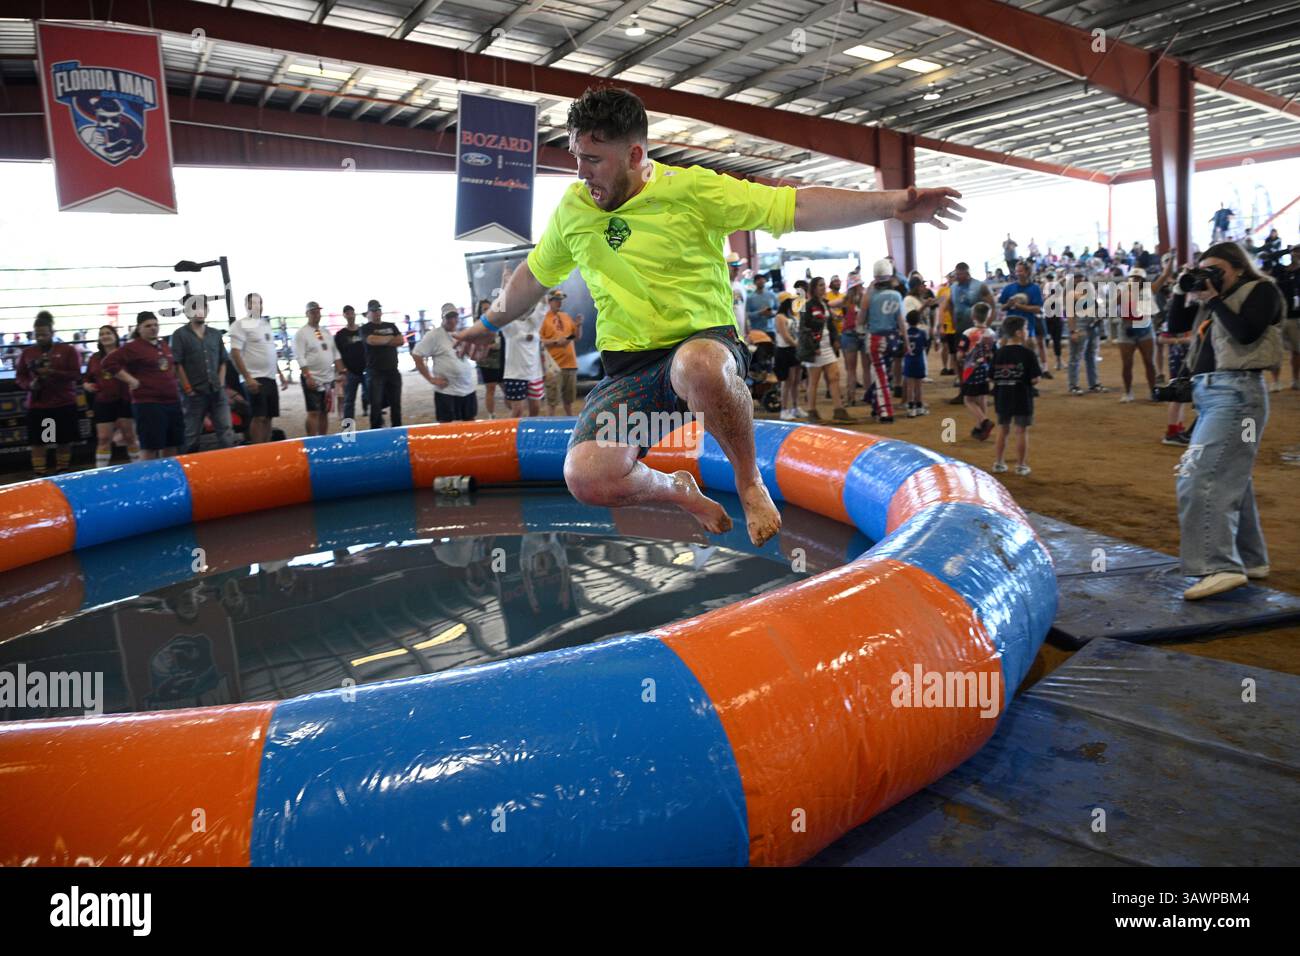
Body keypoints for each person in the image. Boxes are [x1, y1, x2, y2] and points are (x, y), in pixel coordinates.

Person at [452, 87, 961, 545]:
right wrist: (487, 324)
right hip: (631, 374)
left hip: (704, 349)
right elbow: (533, 276)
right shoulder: (573, 209)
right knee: (588, 477)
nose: (582, 173)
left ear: (635, 154)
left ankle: (748, 480)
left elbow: (797, 208)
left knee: (696, 364)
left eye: (593, 160)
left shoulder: (694, 191)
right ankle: (679, 491)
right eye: (576, 157)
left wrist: (897, 202)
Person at [1167, 242, 1285, 600]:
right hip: (1213, 394)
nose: (1210, 277)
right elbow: (1174, 326)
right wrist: (1181, 288)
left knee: (1197, 475)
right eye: (1205, 269)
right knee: (1233, 475)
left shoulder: (1261, 290)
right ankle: (1250, 559)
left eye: (1216, 269)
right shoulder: (1210, 299)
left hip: (1238, 395)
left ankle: (1220, 566)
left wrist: (1215, 297)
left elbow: (1246, 333)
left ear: (1238, 267)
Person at [103, 311, 184, 460]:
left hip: (172, 402)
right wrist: (130, 380)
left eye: (155, 325)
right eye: (148, 326)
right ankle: (146, 481)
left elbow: (170, 367)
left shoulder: (163, 344)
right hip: (149, 404)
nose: (153, 328)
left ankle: (167, 479)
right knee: (150, 448)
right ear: (139, 328)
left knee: (172, 445)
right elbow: (108, 363)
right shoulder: (133, 347)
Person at [16, 312, 82, 475]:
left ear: (52, 333)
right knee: (39, 442)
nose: (40, 337)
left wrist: (53, 372)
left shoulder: (68, 350)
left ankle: (62, 471)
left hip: (63, 403)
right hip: (38, 404)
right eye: (37, 335)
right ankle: (40, 474)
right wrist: (30, 385)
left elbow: (76, 374)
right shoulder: (27, 352)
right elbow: (20, 376)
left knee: (64, 440)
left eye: (44, 334)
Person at [171, 295, 235, 453]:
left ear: (207, 310)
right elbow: (177, 364)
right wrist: (187, 389)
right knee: (191, 436)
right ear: (187, 312)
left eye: (202, 307)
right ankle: (187, 472)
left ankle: (230, 468)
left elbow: (223, 361)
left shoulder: (215, 334)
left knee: (226, 432)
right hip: (193, 394)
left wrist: (220, 384)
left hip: (216, 392)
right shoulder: (179, 335)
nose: (199, 311)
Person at [229, 293, 287, 443]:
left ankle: (266, 448)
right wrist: (247, 378)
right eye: (253, 303)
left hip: (270, 377)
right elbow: (235, 353)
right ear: (247, 306)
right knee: (258, 416)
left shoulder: (265, 325)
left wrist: (280, 373)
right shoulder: (239, 325)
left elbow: (270, 351)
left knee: (269, 416)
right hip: (254, 377)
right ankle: (257, 450)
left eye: (259, 303)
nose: (257, 306)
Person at [990, 315, 1041, 475]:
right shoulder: (1028, 354)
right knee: (1021, 430)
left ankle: (998, 463)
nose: (1027, 332)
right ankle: (1021, 465)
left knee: (1002, 429)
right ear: (1019, 333)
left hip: (1003, 395)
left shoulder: (999, 353)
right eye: (1025, 329)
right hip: (1022, 396)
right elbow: (1035, 379)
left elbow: (991, 376)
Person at [413, 302, 479, 423]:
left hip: (467, 388)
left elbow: (473, 356)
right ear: (443, 318)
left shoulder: (461, 334)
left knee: (470, 422)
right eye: (449, 317)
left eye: (454, 317)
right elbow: (417, 354)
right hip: (447, 391)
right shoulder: (434, 335)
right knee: (446, 426)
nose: (452, 320)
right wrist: (431, 379)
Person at [798, 277, 852, 423]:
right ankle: (811, 411)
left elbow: (830, 325)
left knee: (834, 376)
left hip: (827, 346)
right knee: (813, 381)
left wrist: (835, 339)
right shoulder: (807, 306)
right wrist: (813, 346)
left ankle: (839, 410)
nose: (823, 288)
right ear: (814, 288)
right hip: (816, 348)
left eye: (823, 285)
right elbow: (803, 328)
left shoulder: (824, 303)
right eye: (820, 285)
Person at [84, 325, 139, 466]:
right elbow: (86, 379)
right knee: (103, 439)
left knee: (130, 437)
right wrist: (87, 386)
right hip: (103, 402)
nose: (105, 336)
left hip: (125, 400)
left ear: (115, 336)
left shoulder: (126, 355)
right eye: (101, 334)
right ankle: (100, 472)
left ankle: (139, 468)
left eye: (108, 333)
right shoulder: (94, 358)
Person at [862, 259, 905, 423]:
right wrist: (906, 341)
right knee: (884, 374)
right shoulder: (897, 295)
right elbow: (901, 321)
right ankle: (875, 404)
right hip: (892, 338)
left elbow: (860, 320)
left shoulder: (870, 296)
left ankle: (886, 412)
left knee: (881, 377)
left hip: (875, 338)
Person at [294, 301, 346, 436]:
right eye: (313, 312)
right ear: (307, 314)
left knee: (324, 412)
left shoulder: (326, 331)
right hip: (313, 377)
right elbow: (300, 357)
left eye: (318, 311)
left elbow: (335, 353)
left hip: (328, 378)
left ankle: (323, 440)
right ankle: (311, 440)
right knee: (313, 412)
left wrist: (342, 371)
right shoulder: (302, 333)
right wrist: (307, 376)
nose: (316, 314)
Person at [500, 275, 546, 418]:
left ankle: (531, 438)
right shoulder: (510, 326)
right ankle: (512, 439)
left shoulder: (534, 323)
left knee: (536, 409)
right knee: (517, 412)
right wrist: (505, 284)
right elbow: (500, 308)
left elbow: (544, 302)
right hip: (515, 375)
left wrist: (541, 276)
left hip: (534, 374)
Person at [998, 260, 1050, 377]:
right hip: (1010, 325)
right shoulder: (1009, 288)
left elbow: (1037, 309)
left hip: (1027, 325)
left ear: (1027, 272)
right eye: (1017, 271)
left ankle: (1030, 379)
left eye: (1020, 271)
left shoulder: (1034, 288)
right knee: (1002, 349)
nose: (1018, 273)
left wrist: (1019, 306)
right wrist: (1009, 304)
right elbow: (1002, 307)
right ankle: (1002, 377)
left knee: (1029, 351)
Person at [1117, 267, 1158, 403]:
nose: (1135, 280)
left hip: (1143, 326)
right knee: (1127, 363)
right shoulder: (1123, 291)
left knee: (1149, 362)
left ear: (1142, 280)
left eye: (1138, 278)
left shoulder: (1147, 292)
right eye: (1133, 278)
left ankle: (1153, 391)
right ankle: (1128, 392)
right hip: (1127, 327)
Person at [362, 298, 405, 429]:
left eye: (378, 310)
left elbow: (401, 340)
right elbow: (371, 340)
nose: (376, 312)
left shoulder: (391, 325)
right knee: (375, 404)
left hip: (392, 370)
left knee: (396, 403)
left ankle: (397, 429)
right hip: (375, 371)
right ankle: (375, 431)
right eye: (374, 310)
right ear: (368, 313)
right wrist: (390, 339)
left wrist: (382, 340)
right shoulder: (365, 328)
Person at [539, 288, 582, 416]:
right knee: (552, 401)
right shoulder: (543, 319)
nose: (559, 303)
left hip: (570, 364)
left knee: (569, 400)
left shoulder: (566, 316)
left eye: (560, 300)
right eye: (556, 300)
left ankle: (570, 426)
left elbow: (577, 337)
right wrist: (556, 341)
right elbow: (539, 341)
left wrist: (579, 326)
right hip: (554, 366)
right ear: (549, 301)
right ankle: (549, 428)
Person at [957, 302, 996, 440]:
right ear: (988, 315)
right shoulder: (991, 333)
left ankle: (984, 422)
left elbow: (960, 354)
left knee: (968, 400)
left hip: (971, 370)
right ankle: (980, 428)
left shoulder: (968, 333)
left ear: (973, 315)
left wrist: (961, 359)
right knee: (982, 397)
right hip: (985, 369)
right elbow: (993, 353)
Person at [334, 304, 369, 426]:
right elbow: (336, 354)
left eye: (351, 313)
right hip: (350, 372)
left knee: (373, 397)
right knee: (349, 402)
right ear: (344, 315)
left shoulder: (363, 331)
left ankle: (377, 425)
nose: (350, 315)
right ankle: (348, 431)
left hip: (366, 370)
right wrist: (342, 371)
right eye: (347, 313)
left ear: (354, 314)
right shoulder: (340, 335)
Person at [773, 294, 804, 420]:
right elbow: (785, 336)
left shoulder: (794, 316)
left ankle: (795, 407)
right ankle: (784, 409)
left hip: (795, 350)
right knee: (787, 382)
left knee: (796, 381)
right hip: (785, 351)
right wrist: (798, 345)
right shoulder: (780, 317)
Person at [839, 278, 865, 404]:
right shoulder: (865, 300)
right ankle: (865, 395)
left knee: (851, 369)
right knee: (864, 368)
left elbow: (829, 304)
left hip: (849, 334)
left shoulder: (845, 301)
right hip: (862, 334)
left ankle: (851, 397)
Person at [902, 310, 930, 417]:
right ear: (918, 321)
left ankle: (910, 408)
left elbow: (903, 347)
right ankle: (919, 407)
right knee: (919, 386)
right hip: (919, 362)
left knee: (910, 386)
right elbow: (925, 345)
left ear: (907, 321)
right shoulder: (922, 333)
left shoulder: (905, 333)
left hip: (909, 361)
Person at [746, 272, 778, 337]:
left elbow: (779, 310)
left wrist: (772, 313)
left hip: (771, 330)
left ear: (765, 281)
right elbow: (747, 314)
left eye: (762, 279)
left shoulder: (772, 295)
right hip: (756, 330)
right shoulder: (750, 298)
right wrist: (760, 313)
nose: (761, 281)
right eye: (758, 280)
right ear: (754, 282)